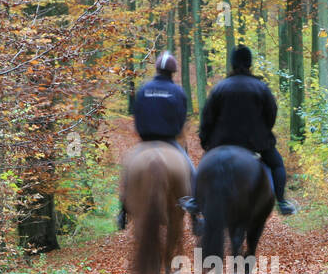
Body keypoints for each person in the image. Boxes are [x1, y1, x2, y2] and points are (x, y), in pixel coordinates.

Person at [184, 44, 297, 218]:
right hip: (256, 143)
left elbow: (207, 118)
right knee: (277, 165)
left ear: (232, 64)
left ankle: (196, 200)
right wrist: (264, 133)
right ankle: (282, 202)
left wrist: (206, 140)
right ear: (250, 64)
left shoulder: (220, 88)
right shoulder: (261, 88)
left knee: (204, 166)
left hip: (222, 142)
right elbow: (271, 114)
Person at [119, 51, 191, 230]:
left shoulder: (143, 89)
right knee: (190, 168)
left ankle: (123, 211)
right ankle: (196, 213)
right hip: (170, 141)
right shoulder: (178, 91)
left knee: (128, 169)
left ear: (157, 69)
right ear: (172, 72)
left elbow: (137, 116)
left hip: (146, 142)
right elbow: (181, 119)